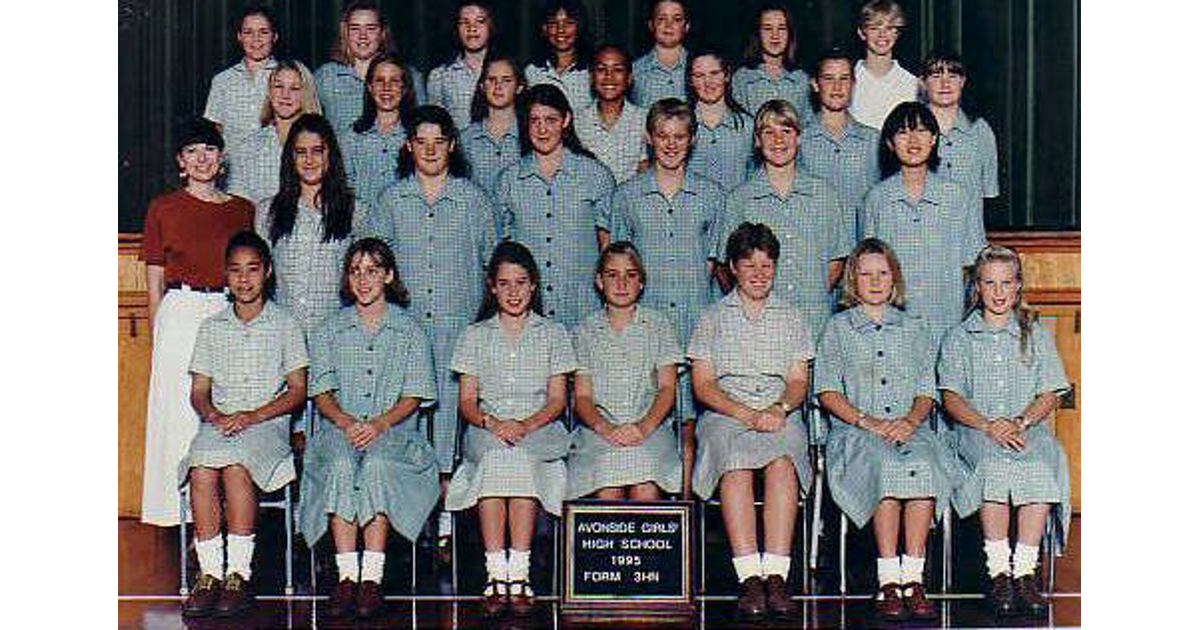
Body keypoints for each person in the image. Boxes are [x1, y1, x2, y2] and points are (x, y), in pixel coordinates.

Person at [362, 104, 498, 564]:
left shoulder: (474, 200)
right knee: (410, 425)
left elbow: (492, 268)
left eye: (439, 141)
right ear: (408, 147)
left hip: (459, 334)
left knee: (451, 429)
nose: (431, 150)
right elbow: (373, 267)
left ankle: (444, 526)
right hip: (406, 335)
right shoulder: (390, 200)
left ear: (452, 147)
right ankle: (409, 523)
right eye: (421, 142)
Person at [814, 238, 957, 622]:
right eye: (866, 274)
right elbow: (827, 390)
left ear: (894, 279)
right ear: (852, 281)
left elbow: (928, 389)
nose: (875, 281)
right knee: (885, 467)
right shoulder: (838, 329)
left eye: (883, 273)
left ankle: (914, 578)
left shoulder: (914, 329)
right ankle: (887, 580)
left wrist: (911, 421)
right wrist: (868, 422)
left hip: (910, 428)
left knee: (925, 465)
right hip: (857, 430)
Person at [300, 238, 441, 619]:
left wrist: (378, 424)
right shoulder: (331, 329)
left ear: (389, 276)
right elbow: (322, 392)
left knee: (377, 464)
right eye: (356, 271)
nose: (364, 280)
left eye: (373, 271)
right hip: (340, 430)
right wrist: (347, 422)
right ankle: (347, 576)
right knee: (344, 465)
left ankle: (371, 579)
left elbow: (414, 395)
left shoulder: (409, 330)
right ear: (347, 278)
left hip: (393, 432)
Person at [180, 231, 308, 618]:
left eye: (253, 270)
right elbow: (199, 391)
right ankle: (209, 575)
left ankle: (238, 573)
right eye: (235, 271)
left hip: (265, 424)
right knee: (201, 469)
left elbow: (297, 390)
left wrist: (253, 416)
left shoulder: (285, 325)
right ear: (226, 275)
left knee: (237, 468)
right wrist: (214, 416)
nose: (244, 279)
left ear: (267, 272)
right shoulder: (212, 327)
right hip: (221, 424)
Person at [445, 241, 576, 618]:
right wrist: (494, 423)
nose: (514, 292)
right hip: (488, 427)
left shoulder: (552, 334)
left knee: (518, 461)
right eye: (505, 284)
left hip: (539, 428)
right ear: (492, 287)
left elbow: (556, 401)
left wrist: (526, 424)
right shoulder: (475, 334)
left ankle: (518, 574)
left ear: (534, 286)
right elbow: (467, 403)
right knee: (496, 458)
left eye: (521, 283)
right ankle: (495, 576)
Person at [939, 245, 1071, 619]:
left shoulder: (1035, 333)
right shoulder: (959, 338)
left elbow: (1049, 393)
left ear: (1018, 287)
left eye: (1006, 283)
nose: (998, 292)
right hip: (976, 429)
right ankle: (998, 572)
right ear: (977, 288)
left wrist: (1023, 421)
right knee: (995, 466)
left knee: (1038, 465)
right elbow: (951, 397)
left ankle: (1024, 572)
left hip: (1025, 427)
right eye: (989, 283)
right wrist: (986, 424)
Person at [688, 222, 812, 618]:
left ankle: (776, 575)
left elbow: (797, 381)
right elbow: (703, 385)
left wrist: (780, 409)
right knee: (735, 461)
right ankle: (749, 578)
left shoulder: (792, 317)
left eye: (767, 265)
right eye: (749, 265)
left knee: (782, 460)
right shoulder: (712, 317)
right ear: (732, 268)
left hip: (777, 411)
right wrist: (744, 413)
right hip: (727, 412)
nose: (759, 274)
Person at [140, 118, 256, 528]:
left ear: (221, 158)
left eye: (209, 150)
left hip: (226, 311)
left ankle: (222, 517)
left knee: (222, 408)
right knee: (178, 411)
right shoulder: (163, 208)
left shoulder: (243, 210)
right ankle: (181, 519)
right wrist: (160, 338)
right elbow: (154, 283)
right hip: (180, 311)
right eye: (192, 151)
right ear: (181, 162)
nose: (202, 158)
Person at [607, 98, 725, 496]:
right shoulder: (627, 196)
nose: (671, 145)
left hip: (694, 321)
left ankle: (687, 518)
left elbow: (713, 264)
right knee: (648, 422)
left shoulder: (711, 196)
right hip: (645, 328)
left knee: (690, 427)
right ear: (649, 138)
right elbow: (618, 264)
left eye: (679, 137)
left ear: (691, 140)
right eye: (662, 136)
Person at [718, 99, 849, 346]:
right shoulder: (739, 199)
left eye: (786, 131)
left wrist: (810, 294)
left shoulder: (824, 194)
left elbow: (836, 261)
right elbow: (726, 267)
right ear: (757, 141)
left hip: (814, 321)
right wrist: (753, 302)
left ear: (799, 137)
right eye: (769, 132)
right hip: (757, 322)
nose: (778, 140)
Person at [862, 101, 986, 347]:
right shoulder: (877, 199)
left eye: (921, 130)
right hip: (893, 323)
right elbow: (867, 269)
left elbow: (971, 267)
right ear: (889, 143)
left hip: (947, 322)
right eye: (903, 132)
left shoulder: (957, 196)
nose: (913, 140)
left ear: (933, 139)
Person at [567, 242, 683, 501]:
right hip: (599, 432)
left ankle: (645, 542)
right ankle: (608, 541)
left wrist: (643, 427)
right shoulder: (584, 332)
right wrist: (606, 429)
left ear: (641, 282)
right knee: (609, 481)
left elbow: (667, 388)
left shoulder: (659, 325)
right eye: (612, 275)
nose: (621, 284)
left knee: (645, 479)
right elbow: (583, 398)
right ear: (599, 281)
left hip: (650, 429)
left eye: (630, 275)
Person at [495, 83, 615, 330]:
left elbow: (609, 246)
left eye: (550, 119)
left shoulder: (595, 175)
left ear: (566, 120)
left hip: (583, 310)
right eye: (534, 120)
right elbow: (503, 250)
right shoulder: (508, 180)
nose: (542, 129)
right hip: (529, 314)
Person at [254, 113, 362, 336]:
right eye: (301, 152)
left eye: (317, 151)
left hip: (337, 335)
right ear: (290, 158)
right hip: (282, 336)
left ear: (330, 154)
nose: (309, 160)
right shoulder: (267, 212)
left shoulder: (356, 211)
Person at [800, 48, 881, 242]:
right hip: (814, 248)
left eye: (844, 78)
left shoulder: (873, 140)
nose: (837, 87)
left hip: (861, 250)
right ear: (815, 84)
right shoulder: (798, 140)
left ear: (853, 84)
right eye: (828, 78)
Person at [315, 1, 426, 134]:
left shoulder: (410, 76)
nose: (363, 36)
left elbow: (422, 128)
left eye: (371, 28)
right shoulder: (325, 76)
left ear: (382, 33)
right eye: (355, 28)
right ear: (345, 33)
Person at [227, 60, 323, 206]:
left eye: (295, 88)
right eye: (279, 86)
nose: (286, 95)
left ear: (306, 94)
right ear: (270, 92)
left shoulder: (324, 143)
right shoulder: (247, 147)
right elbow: (239, 208)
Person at [920, 50, 999, 218]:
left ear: (962, 82)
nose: (945, 84)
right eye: (936, 76)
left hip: (968, 236)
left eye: (953, 76)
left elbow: (989, 192)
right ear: (923, 83)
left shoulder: (980, 130)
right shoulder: (911, 130)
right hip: (923, 233)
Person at [341, 53, 417, 208]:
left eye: (394, 81)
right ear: (369, 87)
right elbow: (345, 188)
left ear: (404, 89)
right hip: (364, 226)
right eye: (379, 81)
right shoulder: (352, 137)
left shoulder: (416, 136)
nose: (386, 88)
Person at [204, 5, 280, 148]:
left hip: (274, 165)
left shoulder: (289, 78)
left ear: (274, 37)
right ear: (239, 37)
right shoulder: (222, 81)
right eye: (248, 32)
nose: (256, 39)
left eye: (263, 32)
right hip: (233, 166)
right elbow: (214, 131)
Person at [574, 45, 649, 184]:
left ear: (629, 78)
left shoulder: (644, 119)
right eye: (601, 69)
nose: (609, 76)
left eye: (618, 70)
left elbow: (646, 170)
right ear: (591, 77)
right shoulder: (577, 121)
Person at [685, 47, 755, 193]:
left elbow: (753, 175)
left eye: (714, 73)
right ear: (690, 80)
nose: (708, 82)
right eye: (699, 75)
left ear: (727, 75)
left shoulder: (747, 126)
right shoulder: (682, 124)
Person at [732, 2, 811, 123]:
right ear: (758, 33)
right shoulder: (742, 78)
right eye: (768, 28)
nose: (775, 35)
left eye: (781, 28)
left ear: (790, 33)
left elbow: (806, 125)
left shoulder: (801, 79)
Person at [460, 52, 526, 196]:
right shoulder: (466, 139)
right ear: (482, 86)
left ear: (519, 87)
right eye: (491, 79)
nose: (498, 86)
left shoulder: (530, 135)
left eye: (506, 80)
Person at [849, 0, 919, 130]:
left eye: (889, 28)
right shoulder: (848, 80)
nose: (882, 35)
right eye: (874, 28)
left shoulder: (912, 83)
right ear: (861, 33)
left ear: (897, 33)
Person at [427, 1, 496, 132]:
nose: (472, 28)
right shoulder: (440, 76)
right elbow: (435, 128)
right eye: (465, 22)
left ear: (491, 26)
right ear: (457, 27)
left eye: (480, 21)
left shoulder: (505, 74)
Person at [524, 0, 594, 117]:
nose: (560, 30)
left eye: (569, 23)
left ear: (580, 27)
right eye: (553, 23)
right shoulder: (531, 71)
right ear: (544, 28)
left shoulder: (593, 70)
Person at [630, 0, 690, 107]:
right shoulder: (635, 70)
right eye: (661, 19)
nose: (668, 25)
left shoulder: (700, 68)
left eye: (676, 19)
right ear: (651, 25)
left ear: (686, 27)